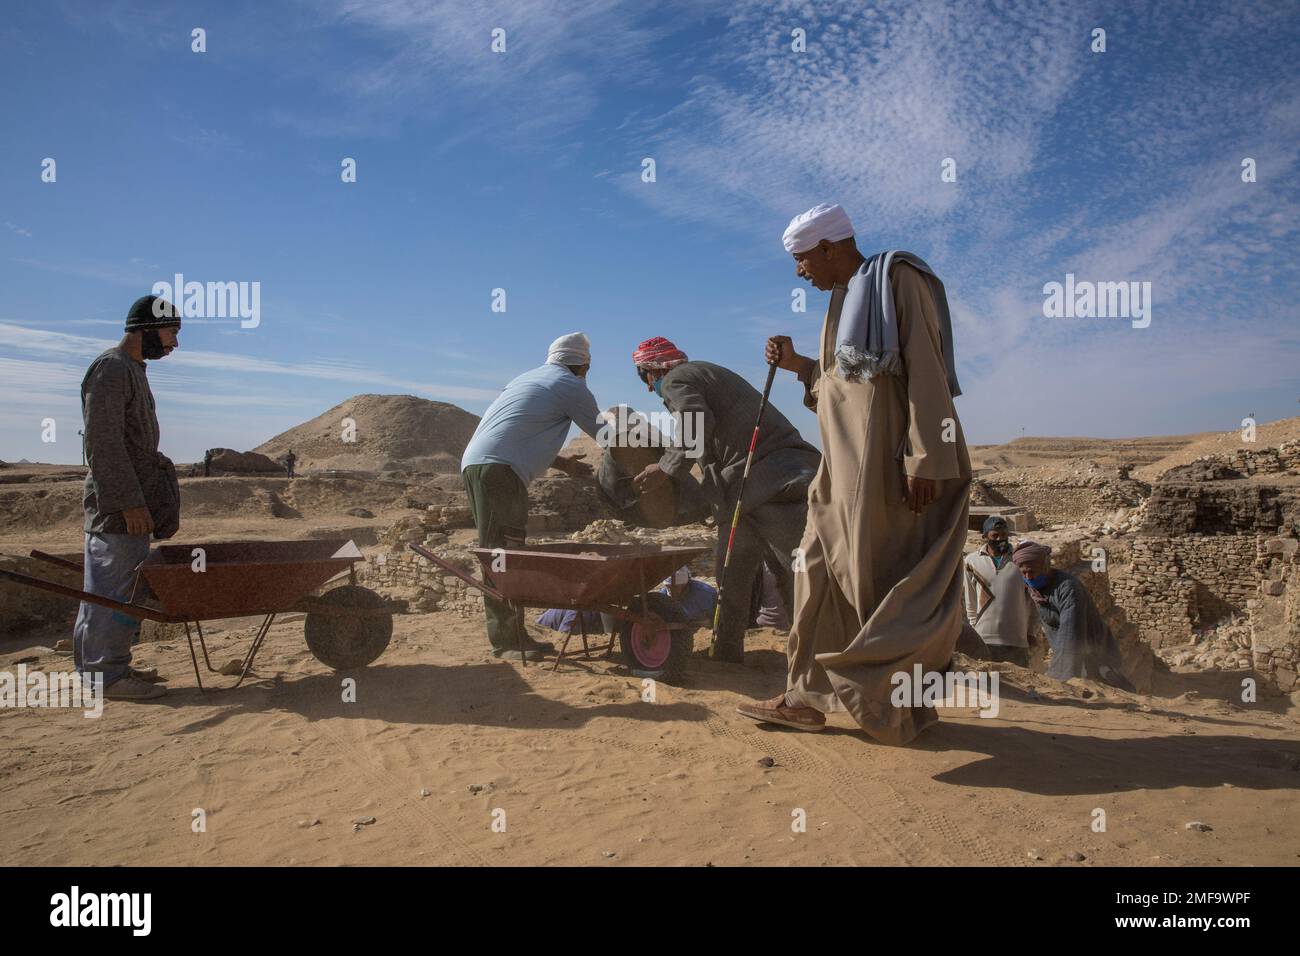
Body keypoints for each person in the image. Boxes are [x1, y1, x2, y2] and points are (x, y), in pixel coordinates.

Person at [737, 203, 977, 743]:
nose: (800, 273)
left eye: (803, 260)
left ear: (830, 248)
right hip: (839, 474)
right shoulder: (846, 304)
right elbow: (838, 389)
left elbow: (926, 371)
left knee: (883, 592)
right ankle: (803, 697)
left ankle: (904, 707)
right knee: (815, 578)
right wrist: (799, 365)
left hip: (889, 474)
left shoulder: (896, 280)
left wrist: (927, 458)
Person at [630, 336, 819, 663]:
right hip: (745, 491)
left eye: (644, 376)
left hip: (770, 480)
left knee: (797, 571)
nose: (648, 387)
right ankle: (726, 651)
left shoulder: (678, 378)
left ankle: (822, 655)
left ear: (655, 369)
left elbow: (695, 420)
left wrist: (664, 469)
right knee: (732, 575)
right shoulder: (702, 375)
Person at [460, 333, 603, 661]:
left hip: (483, 465)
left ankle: (513, 633)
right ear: (583, 366)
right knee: (502, 554)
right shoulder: (571, 386)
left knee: (507, 549)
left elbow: (516, 433)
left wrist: (563, 463)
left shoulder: (527, 379)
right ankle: (506, 640)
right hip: (499, 472)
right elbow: (606, 434)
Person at [74, 294, 183, 701]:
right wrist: (127, 502)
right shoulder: (112, 369)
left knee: (116, 590)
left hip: (131, 503)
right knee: (109, 592)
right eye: (171, 332)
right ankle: (106, 677)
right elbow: (103, 444)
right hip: (119, 508)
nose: (173, 343)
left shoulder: (132, 370)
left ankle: (106, 669)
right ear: (146, 329)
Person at [1011, 540, 1135, 690]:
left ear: (1045, 566)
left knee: (1105, 682)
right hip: (1064, 649)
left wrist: (1056, 680)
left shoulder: (1068, 588)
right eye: (1023, 573)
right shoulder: (1034, 588)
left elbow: (1071, 634)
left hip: (1092, 647)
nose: (1028, 577)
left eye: (1032, 571)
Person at [963, 516, 1037, 666]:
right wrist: (974, 630)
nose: (1000, 539)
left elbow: (1033, 600)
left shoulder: (1020, 561)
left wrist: (1031, 632)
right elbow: (970, 600)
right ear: (985, 537)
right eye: (994, 536)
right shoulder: (971, 562)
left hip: (1016, 639)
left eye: (1003, 535)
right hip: (984, 638)